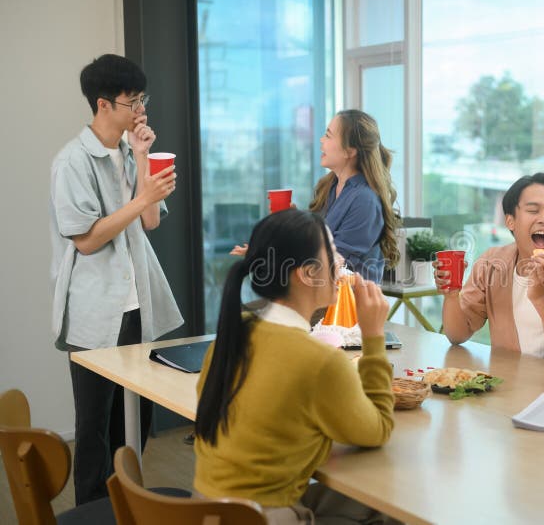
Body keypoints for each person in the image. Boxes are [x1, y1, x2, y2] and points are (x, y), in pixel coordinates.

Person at [194, 209, 396, 524]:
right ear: (306, 274)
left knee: (358, 499)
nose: (340, 263)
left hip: (205, 511)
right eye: (332, 253)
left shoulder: (234, 334)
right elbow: (378, 430)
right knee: (390, 505)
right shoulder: (320, 361)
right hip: (263, 518)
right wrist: (373, 337)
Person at [49, 54, 183, 503]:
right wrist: (141, 194)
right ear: (104, 105)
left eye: (143, 99)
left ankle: (127, 503)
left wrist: (143, 158)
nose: (140, 109)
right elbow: (86, 240)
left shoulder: (131, 151)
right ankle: (92, 510)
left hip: (137, 305)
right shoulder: (71, 161)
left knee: (136, 419)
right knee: (94, 428)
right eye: (133, 101)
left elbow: (149, 222)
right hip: (93, 311)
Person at [436, 173, 544, 367]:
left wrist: (540, 298)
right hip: (511, 386)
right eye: (533, 210)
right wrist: (451, 296)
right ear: (510, 221)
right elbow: (457, 335)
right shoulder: (491, 264)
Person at [233, 110, 399, 284]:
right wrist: (294, 221)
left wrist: (268, 253)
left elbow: (330, 261)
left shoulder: (365, 201)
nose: (321, 140)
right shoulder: (330, 187)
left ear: (350, 151)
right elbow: (315, 243)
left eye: (328, 135)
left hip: (347, 307)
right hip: (321, 300)